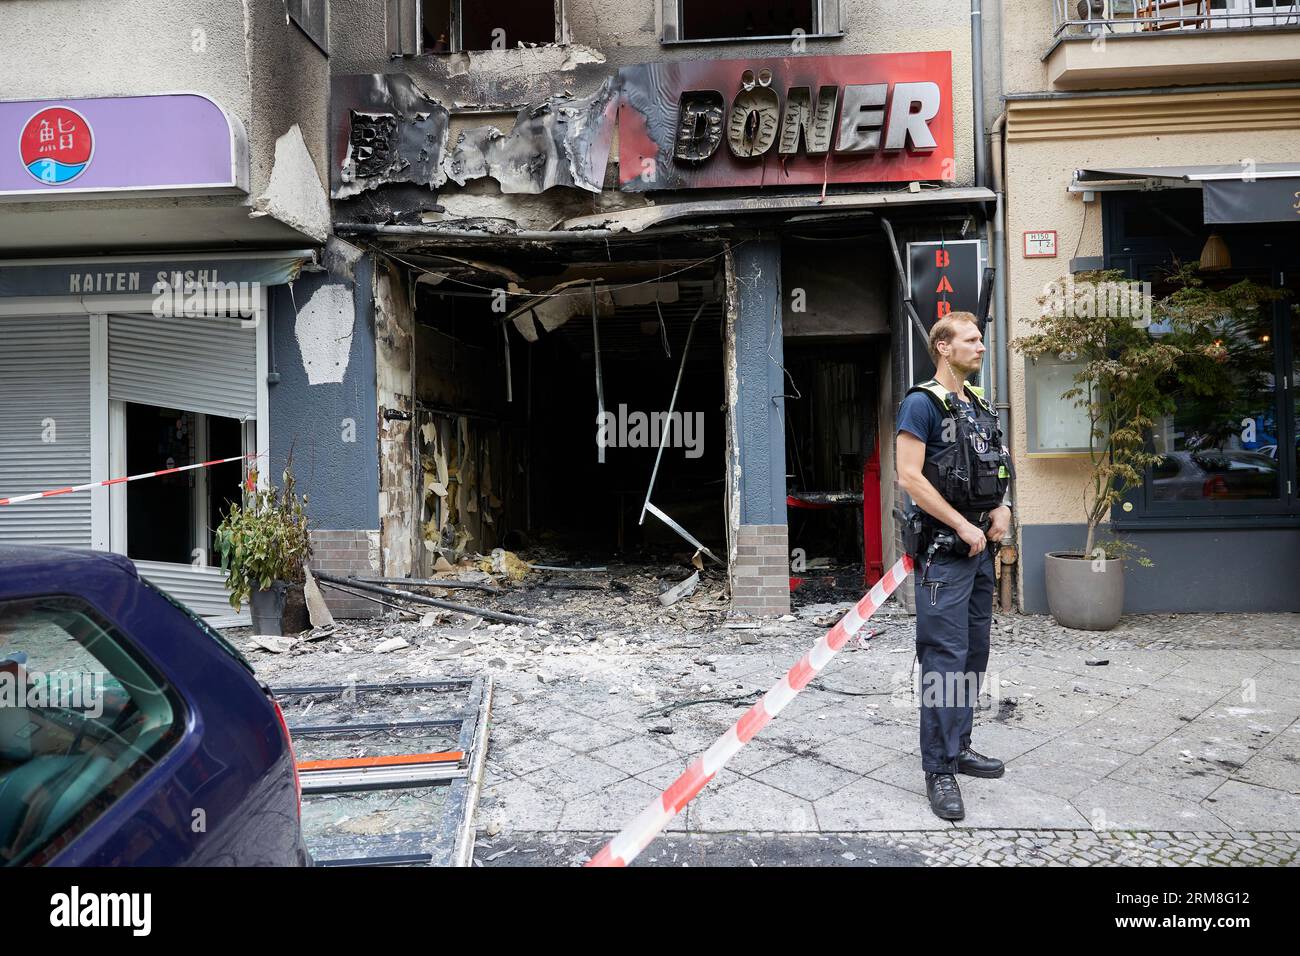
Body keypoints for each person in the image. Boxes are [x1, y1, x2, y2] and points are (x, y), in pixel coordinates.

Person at [895, 311, 1013, 820]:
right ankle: (938, 769)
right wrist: (961, 526)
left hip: (979, 548)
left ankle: (958, 745)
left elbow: (998, 466)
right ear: (943, 347)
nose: (981, 347)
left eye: (981, 339)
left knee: (973, 654)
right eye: (971, 339)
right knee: (944, 659)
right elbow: (909, 477)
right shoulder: (921, 404)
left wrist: (1004, 509)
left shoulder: (979, 405)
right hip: (945, 552)